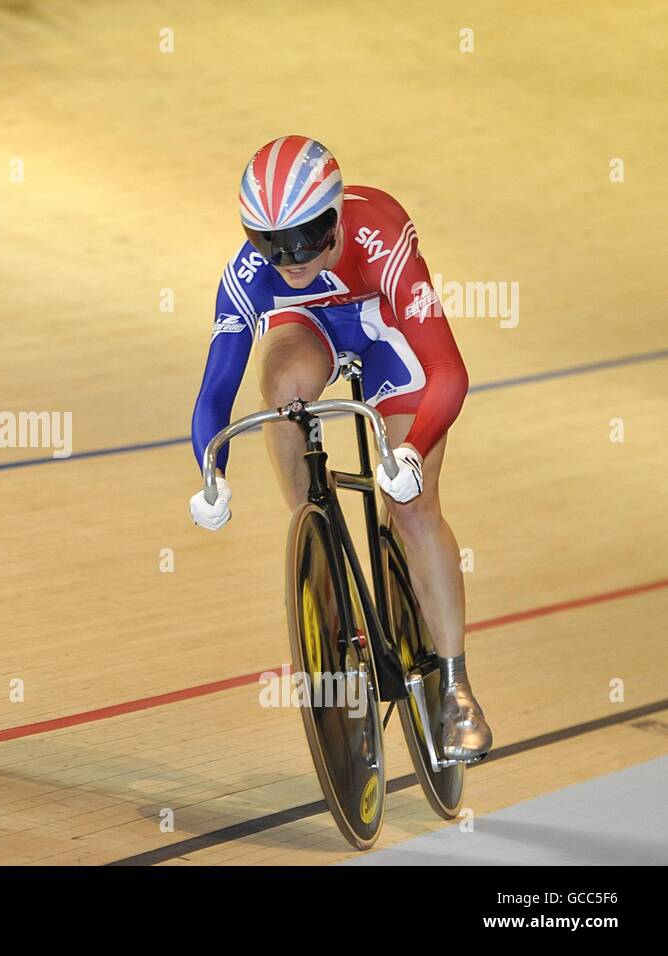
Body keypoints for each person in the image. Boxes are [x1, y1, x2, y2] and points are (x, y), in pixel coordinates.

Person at [188, 135, 492, 761]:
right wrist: (210, 471)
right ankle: (318, 539)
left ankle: (459, 688)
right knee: (282, 389)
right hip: (312, 326)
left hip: (384, 325)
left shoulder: (378, 231)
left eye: (302, 239)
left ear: (335, 220)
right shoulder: (254, 273)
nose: (287, 258)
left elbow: (448, 371)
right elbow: (214, 391)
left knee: (411, 508)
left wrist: (414, 449)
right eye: (268, 242)